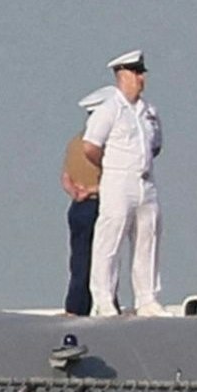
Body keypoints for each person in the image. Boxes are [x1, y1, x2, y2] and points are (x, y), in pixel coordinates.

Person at [79, 51, 165, 315]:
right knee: (110, 239)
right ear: (122, 75)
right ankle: (103, 298)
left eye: (142, 73)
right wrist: (110, 165)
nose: (141, 78)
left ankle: (147, 298)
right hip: (118, 180)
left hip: (145, 181)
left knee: (148, 238)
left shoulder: (149, 111)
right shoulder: (109, 109)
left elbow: (156, 145)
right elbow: (90, 146)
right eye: (136, 73)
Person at [61, 86, 113, 317]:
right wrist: (92, 190)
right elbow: (115, 179)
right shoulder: (106, 146)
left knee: (79, 258)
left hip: (78, 205)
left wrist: (76, 192)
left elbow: (66, 176)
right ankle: (105, 303)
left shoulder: (74, 142)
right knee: (104, 258)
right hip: (99, 203)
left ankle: (76, 304)